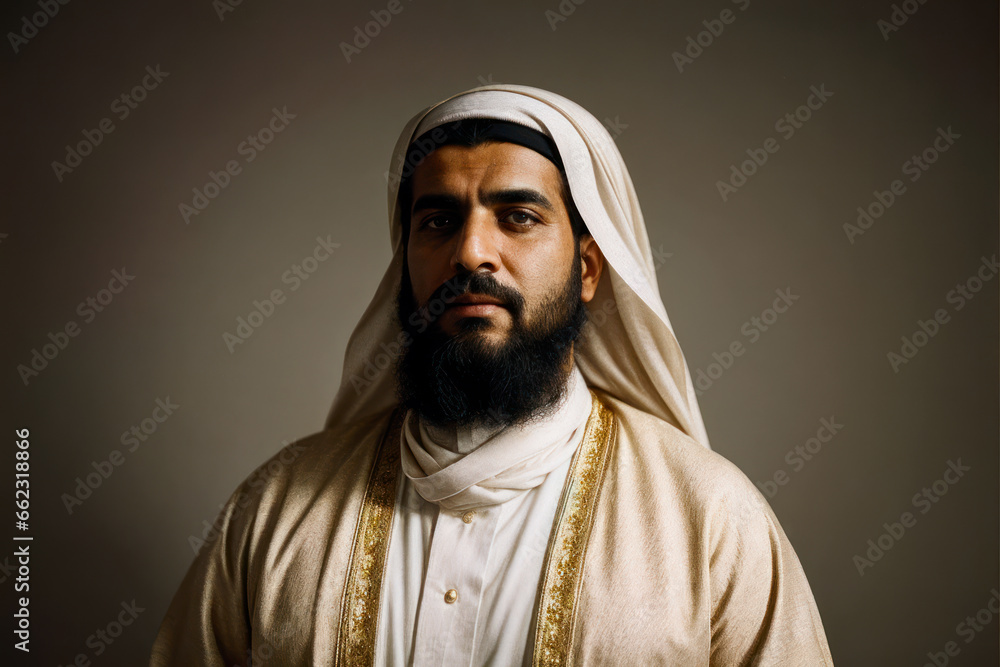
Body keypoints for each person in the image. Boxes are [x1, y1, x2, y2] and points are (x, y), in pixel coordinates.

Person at [149, 84, 835, 666]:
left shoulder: (711, 522)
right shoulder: (274, 514)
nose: (471, 251)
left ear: (588, 270)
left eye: (518, 217)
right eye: (439, 220)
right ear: (408, 261)